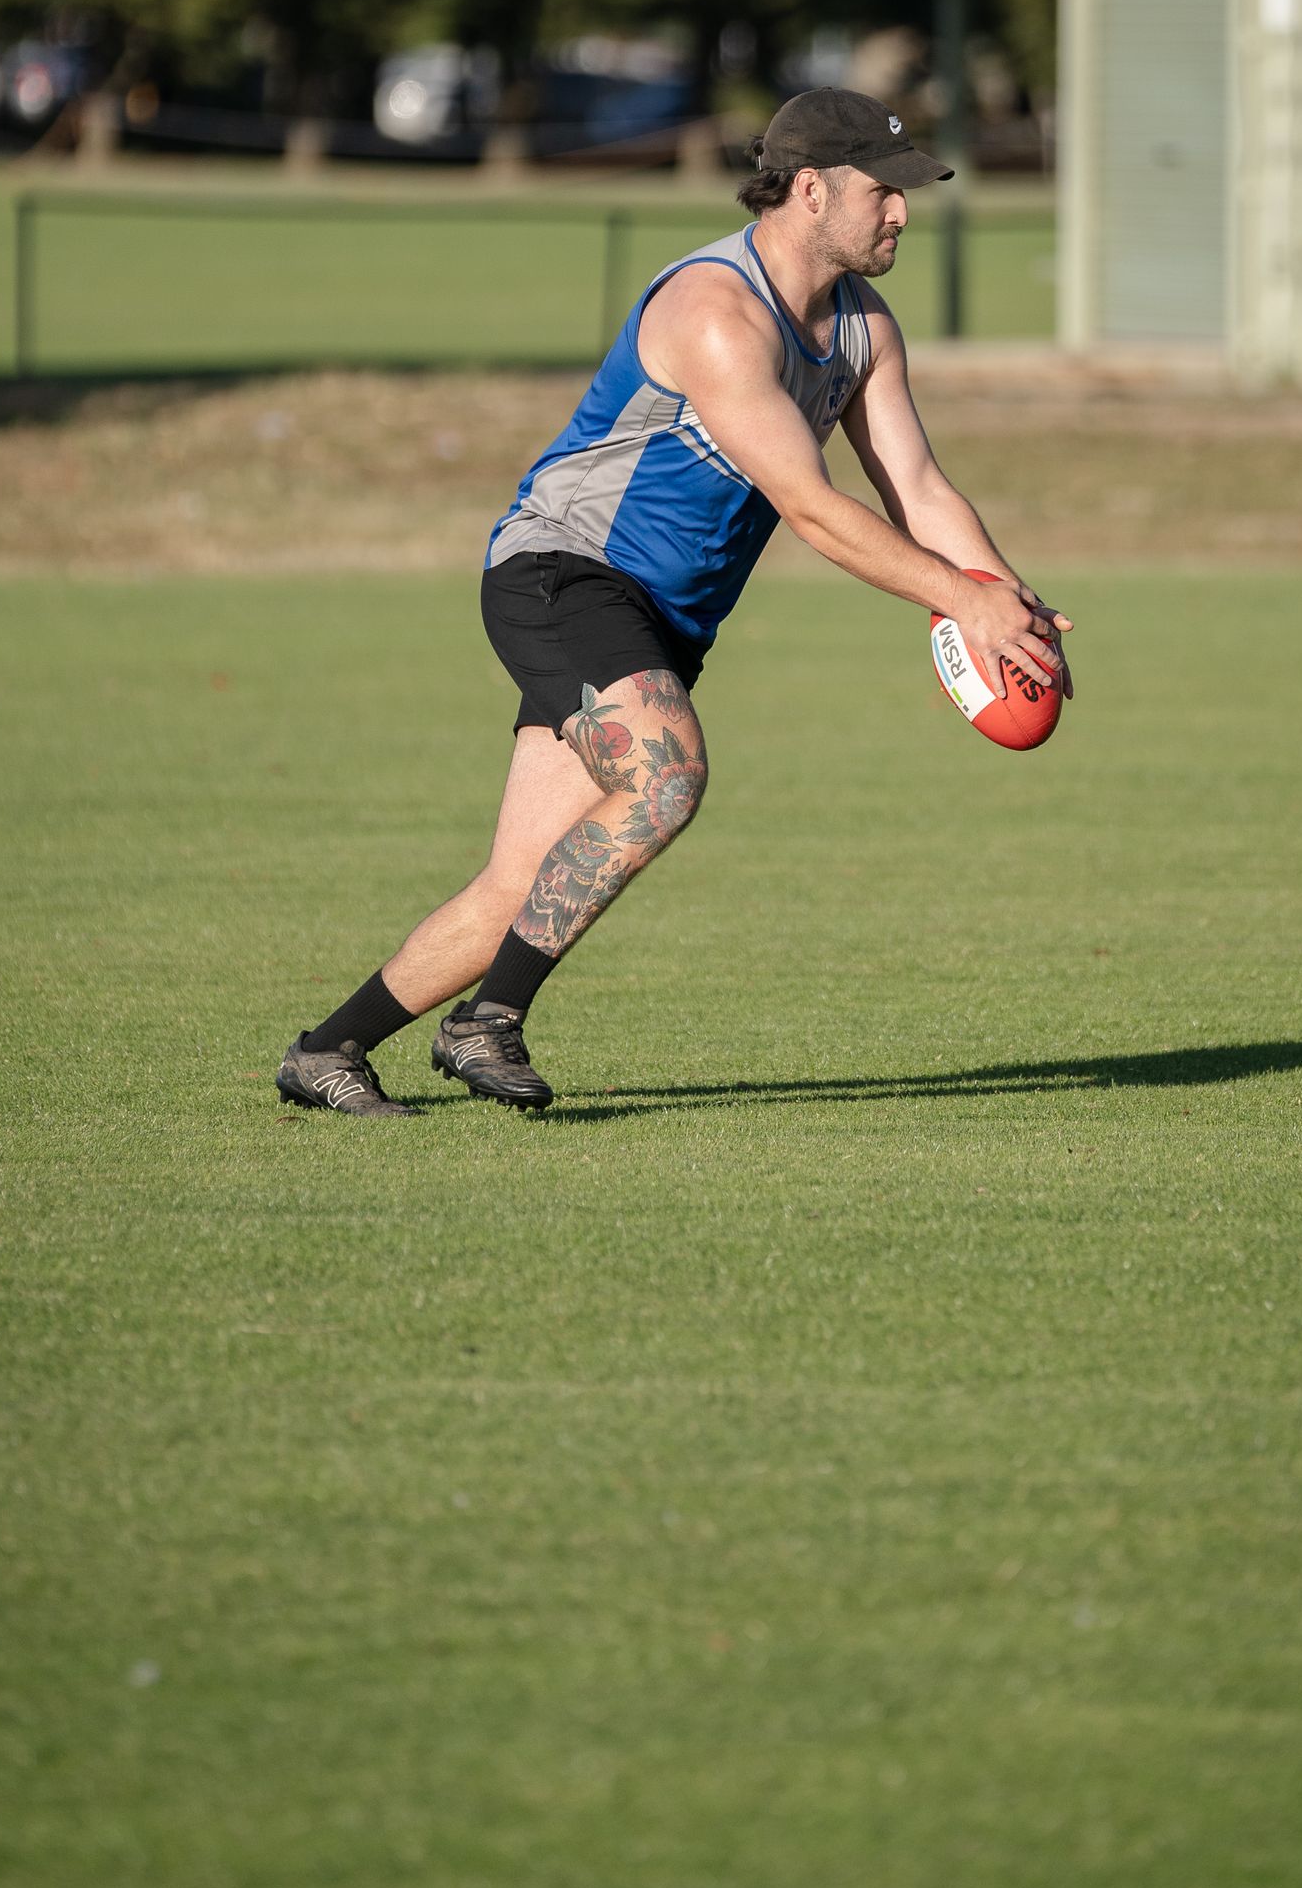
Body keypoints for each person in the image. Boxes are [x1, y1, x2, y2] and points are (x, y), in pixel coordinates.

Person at [276, 87, 1073, 1120]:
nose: (902, 215)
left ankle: (327, 1049)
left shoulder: (864, 329)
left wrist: (1007, 599)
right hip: (565, 575)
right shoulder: (714, 315)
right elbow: (812, 507)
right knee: (666, 775)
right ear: (812, 188)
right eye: (886, 192)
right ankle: (486, 1023)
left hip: (661, 622)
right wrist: (959, 606)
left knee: (524, 886)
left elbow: (917, 489)